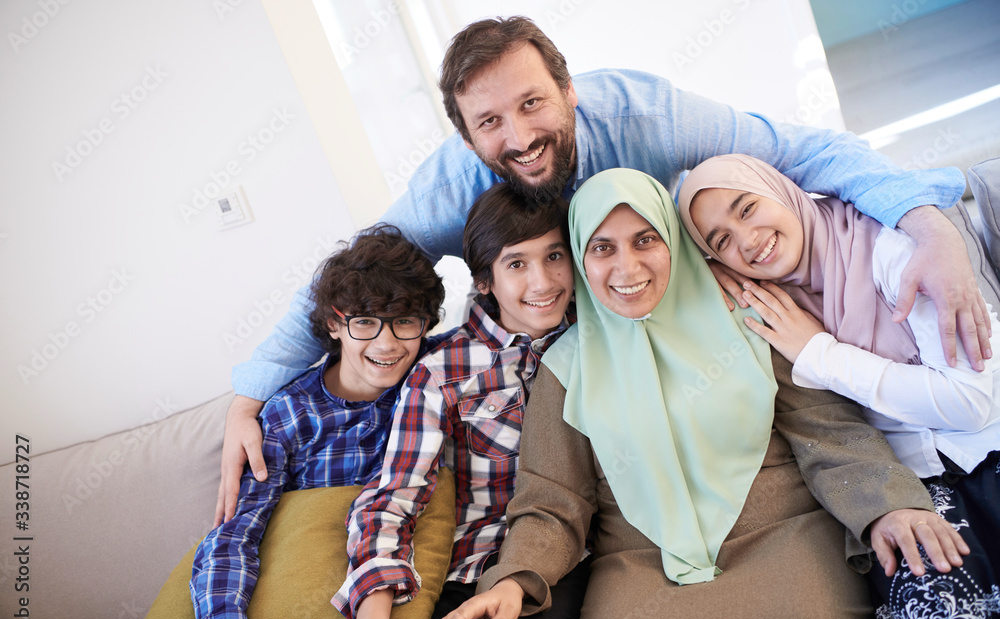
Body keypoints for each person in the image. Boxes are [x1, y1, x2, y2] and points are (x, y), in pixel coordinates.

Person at [216, 15, 991, 526]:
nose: (517, 137)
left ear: (570, 92)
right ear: (464, 135)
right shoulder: (452, 186)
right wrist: (250, 392)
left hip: (708, 329)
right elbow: (361, 275)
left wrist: (928, 223)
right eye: (489, 123)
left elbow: (804, 151)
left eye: (531, 105)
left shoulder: (650, 117)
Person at [422, 168, 967, 619]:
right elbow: (551, 501)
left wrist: (888, 507)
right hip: (641, 561)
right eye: (602, 248)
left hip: (782, 533)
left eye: (645, 240)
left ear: (675, 241)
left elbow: (829, 433)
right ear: (582, 262)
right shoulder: (566, 369)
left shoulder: (752, 317)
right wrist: (513, 581)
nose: (627, 267)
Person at [677, 153, 1000, 619]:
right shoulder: (771, 306)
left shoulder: (890, 250)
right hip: (913, 486)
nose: (746, 240)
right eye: (720, 242)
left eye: (747, 208)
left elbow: (972, 403)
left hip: (989, 450)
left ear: (782, 191)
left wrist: (820, 355)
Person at [330, 184, 587, 619]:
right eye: (516, 264)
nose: (542, 281)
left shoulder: (598, 339)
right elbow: (394, 496)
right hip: (457, 570)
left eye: (554, 256)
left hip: (554, 565)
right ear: (485, 280)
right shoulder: (441, 370)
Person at [189, 226, 445, 619]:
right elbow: (235, 530)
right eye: (365, 322)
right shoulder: (289, 413)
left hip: (414, 597)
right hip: (313, 610)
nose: (387, 344)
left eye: (405, 321)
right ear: (334, 324)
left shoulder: (437, 377)